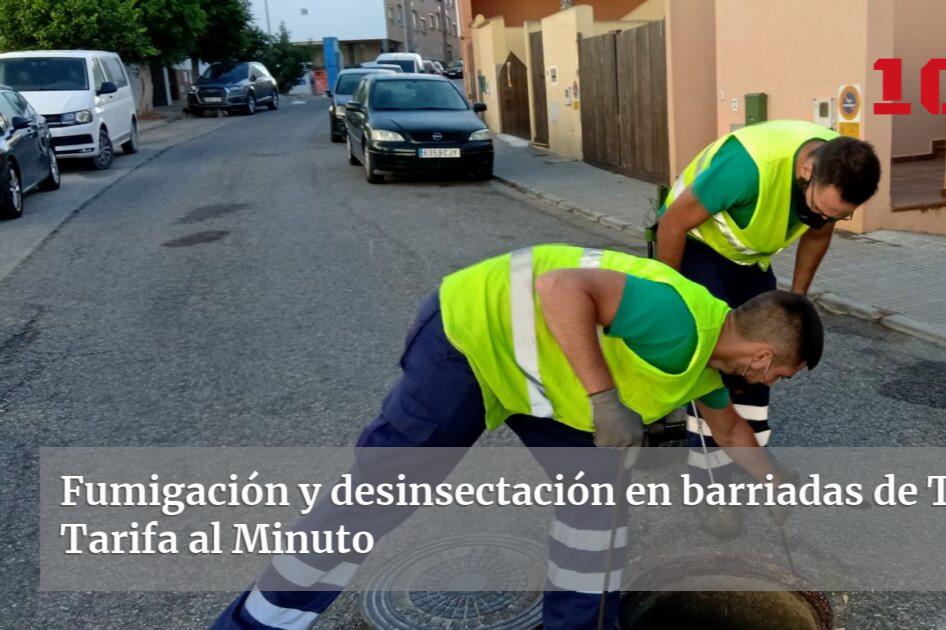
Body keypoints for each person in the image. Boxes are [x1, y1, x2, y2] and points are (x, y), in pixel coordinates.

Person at [211, 244, 824, 630]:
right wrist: (605, 402)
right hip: (470, 342)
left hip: (536, 380)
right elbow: (561, 288)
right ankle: (254, 623)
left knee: (597, 506)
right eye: (782, 374)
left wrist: (776, 488)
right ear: (766, 355)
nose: (772, 382)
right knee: (377, 497)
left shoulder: (707, 362)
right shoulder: (678, 318)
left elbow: (730, 427)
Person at [654, 119, 880, 536]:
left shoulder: (840, 169)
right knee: (710, 367)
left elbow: (816, 237)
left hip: (750, 260)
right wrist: (671, 305)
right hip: (698, 249)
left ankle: (756, 471)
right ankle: (710, 492)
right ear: (807, 171)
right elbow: (672, 224)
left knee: (765, 359)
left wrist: (796, 302)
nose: (823, 218)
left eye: (837, 215)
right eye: (822, 209)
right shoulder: (748, 167)